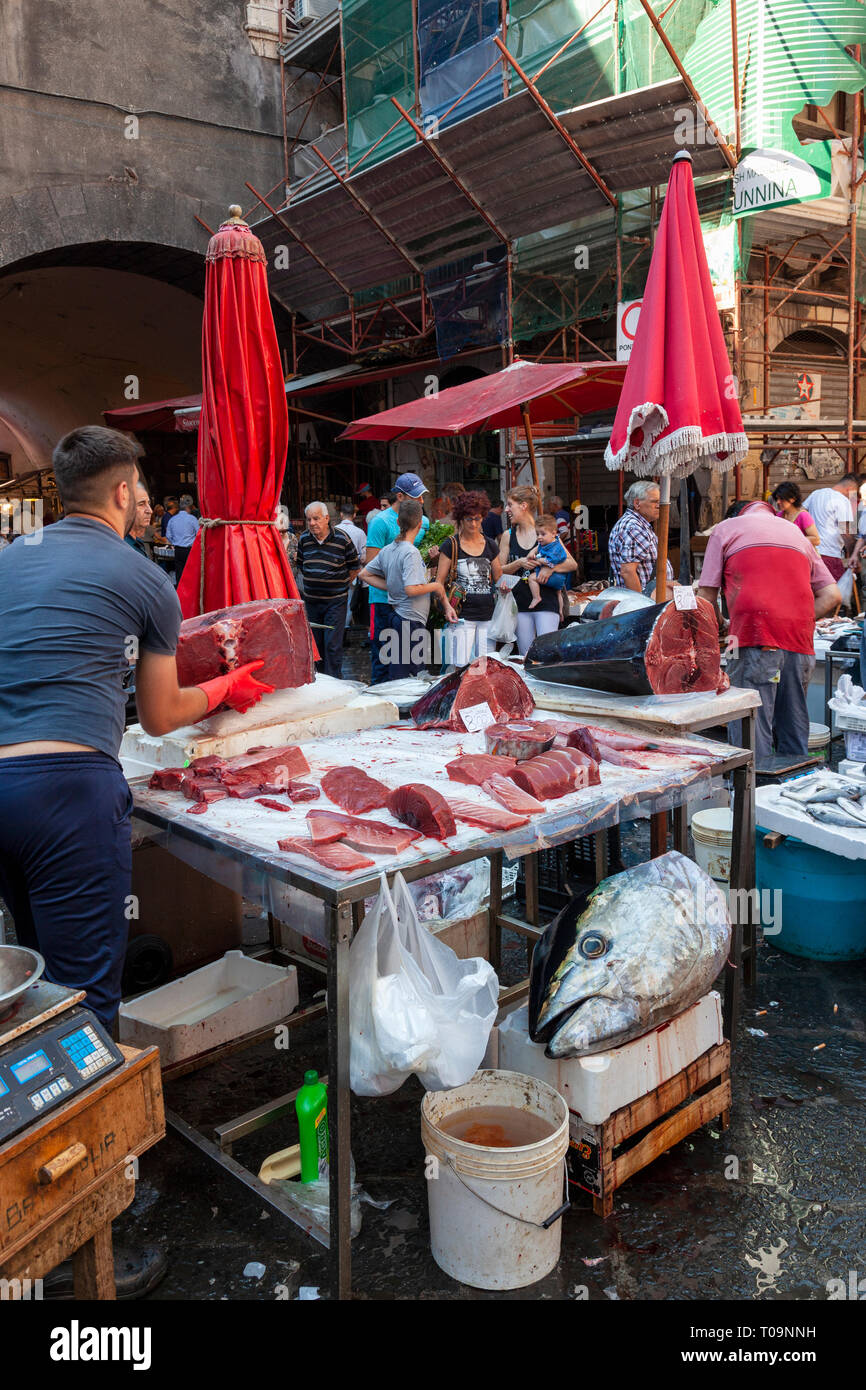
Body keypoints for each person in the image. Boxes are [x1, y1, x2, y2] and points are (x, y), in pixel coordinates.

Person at [0, 426, 273, 1029]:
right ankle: (96, 1117)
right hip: (68, 793)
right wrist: (229, 685)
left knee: (34, 978)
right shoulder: (145, 578)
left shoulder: (9, 558)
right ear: (123, 493)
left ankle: (32, 1104)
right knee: (87, 995)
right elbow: (161, 714)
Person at [697, 498, 840, 760]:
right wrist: (798, 620)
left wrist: (720, 627)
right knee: (793, 721)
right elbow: (832, 596)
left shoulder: (726, 528)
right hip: (800, 642)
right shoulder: (795, 532)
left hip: (754, 638)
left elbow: (705, 597)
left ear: (733, 514)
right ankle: (793, 787)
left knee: (751, 724)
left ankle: (753, 794)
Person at [360, 499, 457, 678]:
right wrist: (436, 585)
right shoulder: (410, 552)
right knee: (408, 678)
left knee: (403, 672)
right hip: (409, 621)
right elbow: (412, 589)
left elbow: (364, 574)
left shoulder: (389, 549)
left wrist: (391, 586)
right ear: (420, 524)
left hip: (401, 618)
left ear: (398, 522)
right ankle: (405, 707)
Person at [365, 474, 430, 684]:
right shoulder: (379, 522)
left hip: (410, 607)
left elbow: (418, 559)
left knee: (410, 661)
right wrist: (398, 585)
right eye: (416, 497)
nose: (421, 501)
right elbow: (371, 565)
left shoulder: (424, 522)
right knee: (383, 658)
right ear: (400, 497)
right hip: (384, 601)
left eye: (422, 496)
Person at [498, 485, 577, 655]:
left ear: (523, 505)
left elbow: (572, 563)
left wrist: (551, 568)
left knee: (547, 655)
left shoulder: (545, 533)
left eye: (510, 505)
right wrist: (519, 563)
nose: (506, 509)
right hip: (519, 604)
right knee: (525, 656)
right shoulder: (508, 536)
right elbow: (497, 571)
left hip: (547, 601)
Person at [436, 490, 502, 664]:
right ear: (461, 519)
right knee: (461, 666)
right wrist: (447, 607)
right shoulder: (451, 545)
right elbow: (438, 583)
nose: (473, 524)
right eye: (469, 519)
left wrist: (505, 586)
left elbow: (499, 577)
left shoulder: (490, 544)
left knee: (485, 667)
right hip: (461, 615)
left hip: (487, 615)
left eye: (477, 519)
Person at [297, 501, 360, 679]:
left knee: (332, 644)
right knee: (315, 645)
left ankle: (334, 682)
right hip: (312, 602)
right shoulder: (304, 539)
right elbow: (302, 565)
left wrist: (340, 584)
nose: (312, 523)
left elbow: (354, 567)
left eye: (316, 519)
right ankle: (320, 682)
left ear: (326, 518)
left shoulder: (342, 539)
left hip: (335, 602)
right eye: (309, 519)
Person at [608, 479, 675, 593]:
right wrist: (641, 604)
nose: (659, 506)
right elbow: (628, 572)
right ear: (637, 504)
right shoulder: (634, 528)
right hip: (645, 603)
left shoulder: (637, 525)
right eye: (654, 502)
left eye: (660, 502)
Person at [806, 473, 859, 582]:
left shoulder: (816, 493)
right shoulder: (843, 501)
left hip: (811, 552)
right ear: (850, 489)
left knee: (814, 592)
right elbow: (845, 532)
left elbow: (800, 512)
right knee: (835, 595)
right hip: (829, 554)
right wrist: (854, 555)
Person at [525, 514, 569, 609]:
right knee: (558, 593)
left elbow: (550, 562)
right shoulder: (546, 543)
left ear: (553, 534)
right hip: (558, 578)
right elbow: (536, 549)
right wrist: (532, 553)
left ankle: (536, 597)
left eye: (543, 534)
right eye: (537, 534)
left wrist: (538, 560)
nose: (539, 537)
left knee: (532, 578)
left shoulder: (556, 548)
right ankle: (561, 611)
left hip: (556, 576)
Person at [336, 500, 367, 624]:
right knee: (349, 603)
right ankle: (345, 629)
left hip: (336, 572)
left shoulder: (334, 530)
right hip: (353, 573)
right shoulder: (360, 533)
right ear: (354, 515)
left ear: (341, 515)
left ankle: (338, 629)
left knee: (336, 602)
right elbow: (364, 556)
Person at [770, 481, 820, 547]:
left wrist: (792, 540)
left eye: (782, 499)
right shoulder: (778, 516)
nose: (778, 502)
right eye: (777, 498)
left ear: (793, 499)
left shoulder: (803, 516)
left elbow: (816, 540)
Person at [165, 494, 199, 585]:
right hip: (190, 550)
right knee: (191, 573)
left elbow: (168, 535)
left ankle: (180, 595)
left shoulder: (172, 519)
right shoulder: (192, 519)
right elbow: (199, 534)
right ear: (189, 507)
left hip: (178, 550)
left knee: (179, 574)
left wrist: (174, 542)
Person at [125, 479, 156, 560]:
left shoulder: (138, 543)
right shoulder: (123, 546)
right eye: (141, 504)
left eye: (148, 503)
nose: (150, 511)